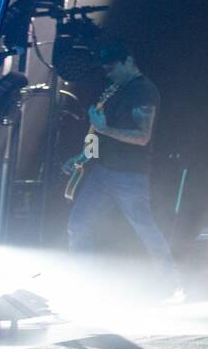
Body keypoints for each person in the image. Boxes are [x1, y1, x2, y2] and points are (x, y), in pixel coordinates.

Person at [64, 37, 184, 303]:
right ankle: (82, 285)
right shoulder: (113, 89)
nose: (108, 73)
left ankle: (171, 282)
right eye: (105, 69)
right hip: (102, 171)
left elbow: (142, 136)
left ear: (128, 61)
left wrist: (104, 128)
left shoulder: (144, 90)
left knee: (144, 226)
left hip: (130, 174)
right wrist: (80, 156)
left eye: (111, 67)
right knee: (78, 224)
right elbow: (100, 135)